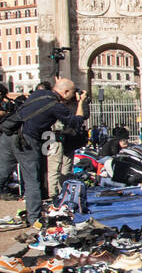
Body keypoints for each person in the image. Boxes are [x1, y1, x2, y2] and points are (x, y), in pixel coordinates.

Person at [0, 79, 88, 226]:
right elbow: (76, 122)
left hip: (9, 134)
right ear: (66, 92)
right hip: (27, 141)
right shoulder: (56, 106)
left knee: (1, 173)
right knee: (32, 180)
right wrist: (80, 103)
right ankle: (34, 219)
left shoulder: (39, 94)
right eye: (72, 93)